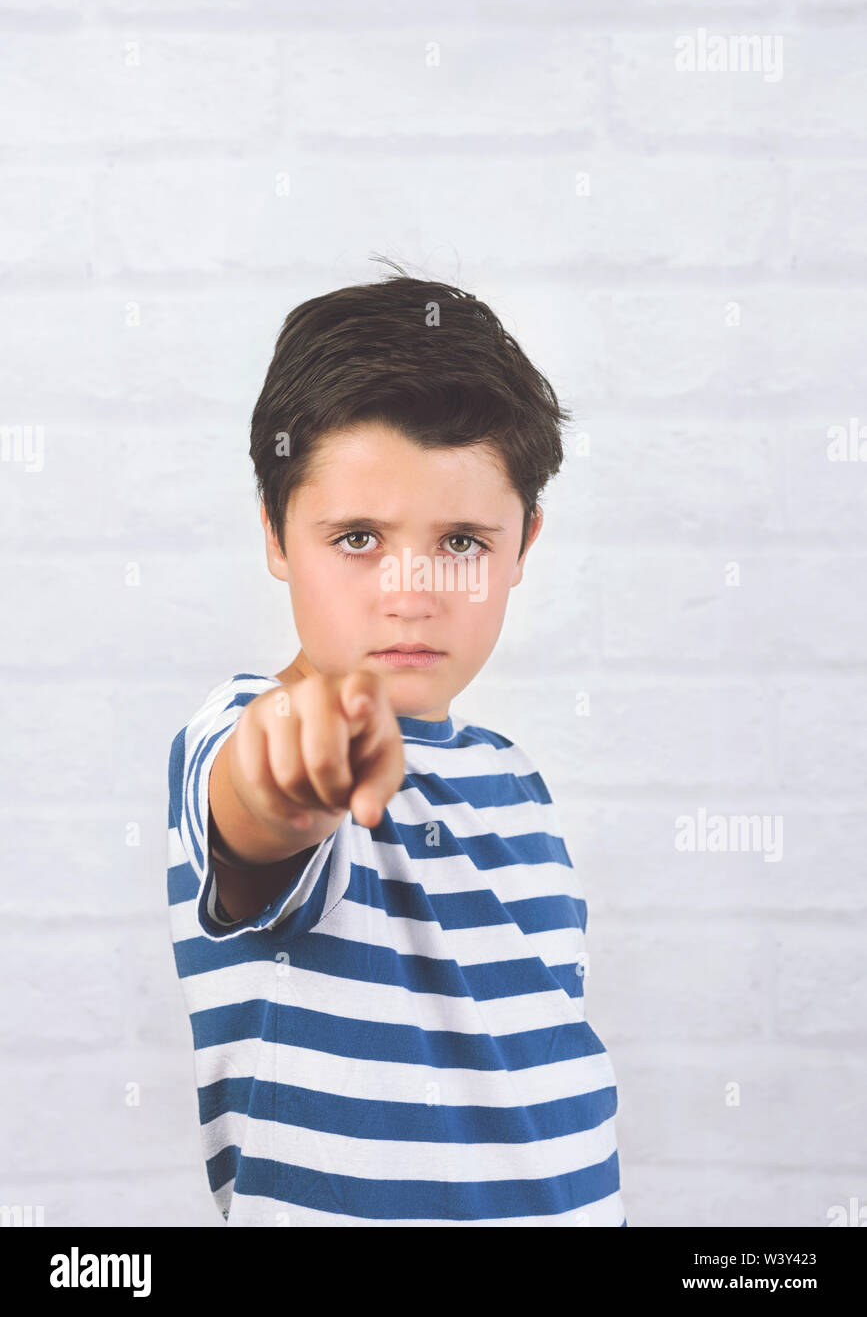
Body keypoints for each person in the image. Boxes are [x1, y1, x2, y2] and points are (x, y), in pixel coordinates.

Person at [167, 265, 626, 1226]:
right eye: (359, 537)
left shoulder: (514, 778)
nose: (409, 589)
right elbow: (258, 806)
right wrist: (299, 773)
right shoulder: (251, 724)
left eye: (460, 540)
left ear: (524, 545)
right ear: (275, 536)